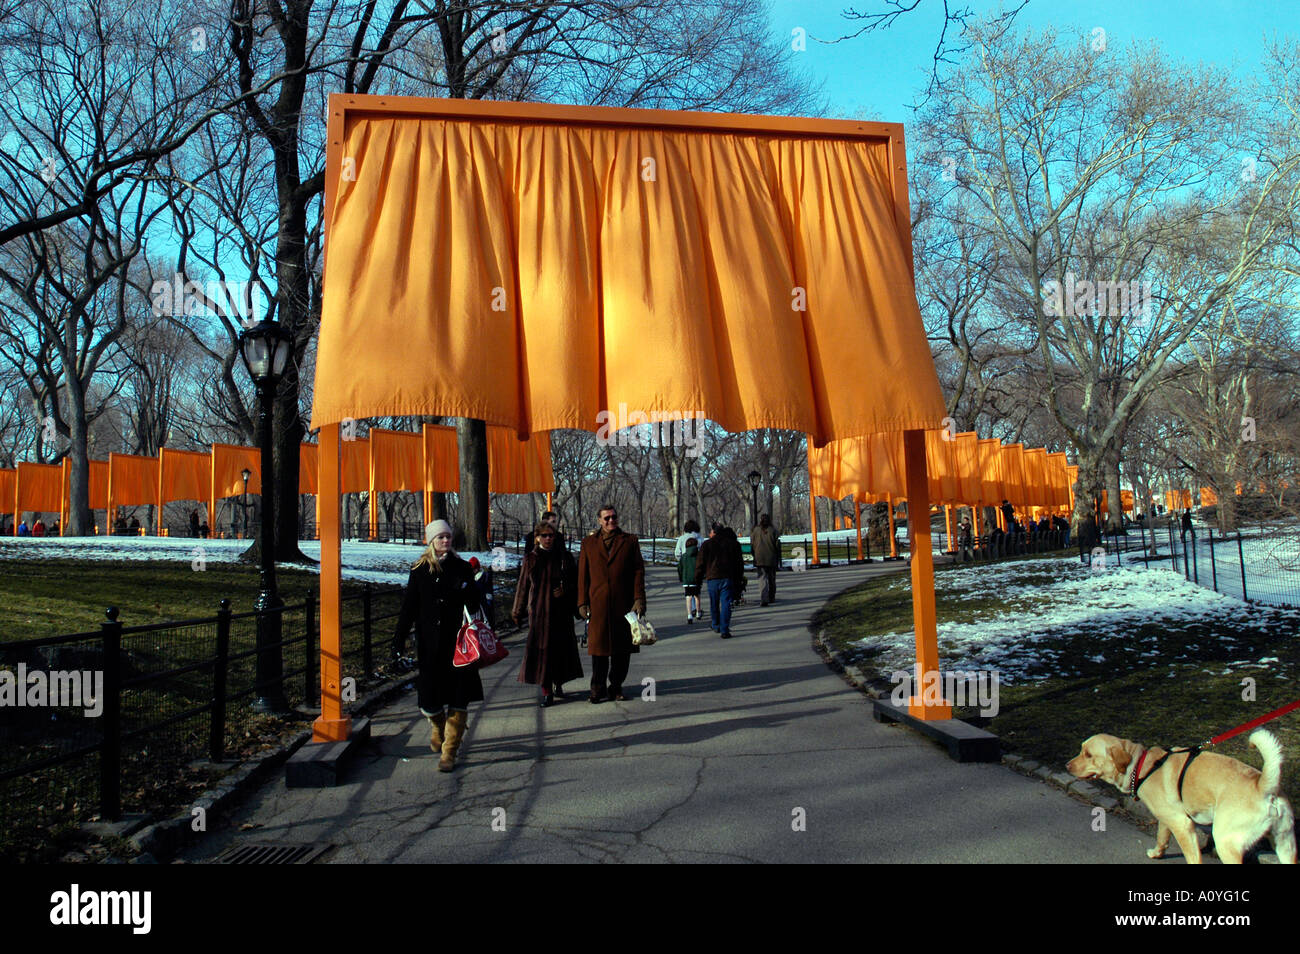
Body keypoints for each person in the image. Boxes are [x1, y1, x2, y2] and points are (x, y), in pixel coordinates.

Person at [392, 519, 484, 772]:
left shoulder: (462, 568)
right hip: (430, 645)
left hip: (458, 645)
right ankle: (438, 725)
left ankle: (450, 752)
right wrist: (398, 639)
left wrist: (468, 588)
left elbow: (474, 604)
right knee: (429, 701)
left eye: (448, 537)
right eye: (440, 537)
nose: (445, 541)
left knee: (459, 698)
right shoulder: (420, 570)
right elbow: (409, 607)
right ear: (431, 540)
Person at [576, 504, 646, 703]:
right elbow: (583, 575)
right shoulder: (588, 543)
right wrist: (582, 602)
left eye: (613, 517)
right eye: (606, 518)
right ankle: (597, 689)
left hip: (623, 604)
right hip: (598, 605)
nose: (610, 521)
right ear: (599, 520)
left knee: (622, 652)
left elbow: (638, 572)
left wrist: (639, 599)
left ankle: (616, 687)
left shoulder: (630, 541)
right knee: (598, 651)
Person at [512, 521, 584, 707]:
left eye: (551, 535)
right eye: (544, 535)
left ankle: (559, 683)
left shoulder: (564, 557)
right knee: (542, 653)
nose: (548, 539)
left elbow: (576, 582)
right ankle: (547, 691)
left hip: (561, 612)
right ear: (537, 538)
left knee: (560, 651)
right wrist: (517, 611)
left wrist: (565, 590)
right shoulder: (531, 559)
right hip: (539, 613)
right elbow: (523, 586)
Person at [695, 523, 744, 638]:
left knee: (714, 603)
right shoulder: (732, 544)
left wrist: (697, 579)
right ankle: (724, 629)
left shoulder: (707, 544)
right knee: (726, 603)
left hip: (712, 577)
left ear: (713, 531)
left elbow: (700, 563)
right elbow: (739, 564)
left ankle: (716, 624)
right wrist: (739, 579)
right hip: (727, 577)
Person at [749, 513, 781, 606]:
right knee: (771, 579)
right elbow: (777, 546)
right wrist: (777, 557)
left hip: (759, 558)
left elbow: (752, 544)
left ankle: (764, 598)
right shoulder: (773, 530)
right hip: (771, 558)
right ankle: (771, 597)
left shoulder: (756, 530)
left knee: (762, 579)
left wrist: (754, 555)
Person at [677, 535, 702, 623]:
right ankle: (698, 612)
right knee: (697, 596)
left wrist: (681, 577)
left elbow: (680, 568)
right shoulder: (698, 556)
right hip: (696, 579)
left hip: (687, 580)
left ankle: (689, 615)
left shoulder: (684, 556)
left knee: (688, 597)